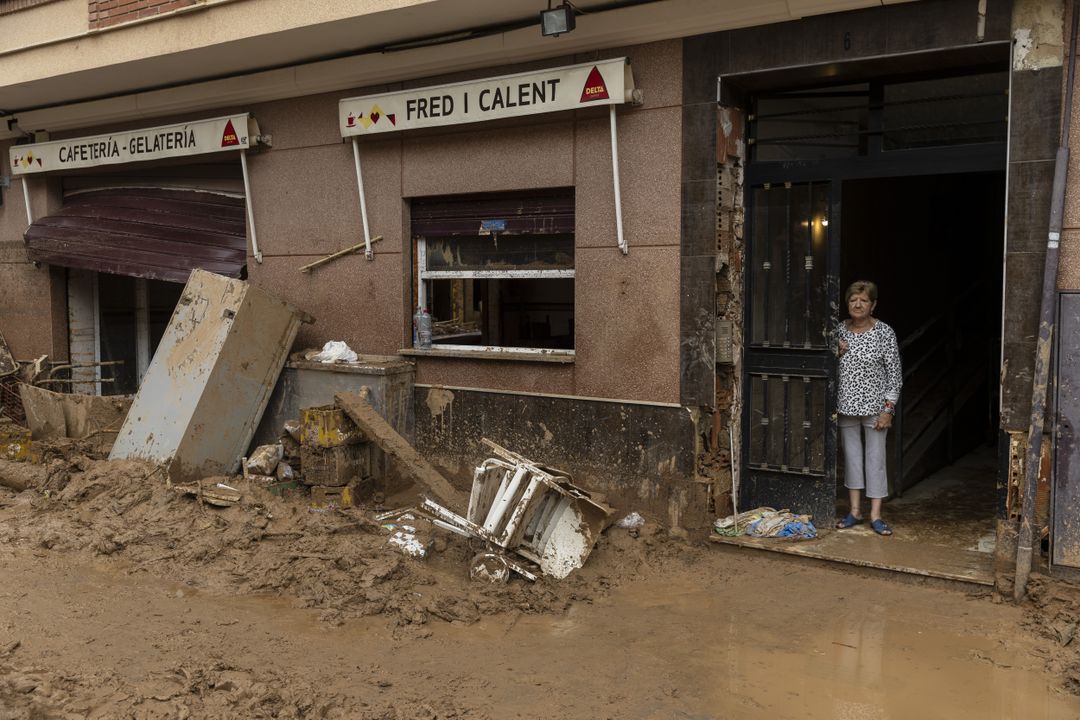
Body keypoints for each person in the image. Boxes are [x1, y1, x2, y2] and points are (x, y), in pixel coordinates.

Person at [835, 280, 902, 536]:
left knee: (876, 460)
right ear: (847, 304)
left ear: (873, 305)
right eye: (853, 300)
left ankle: (875, 515)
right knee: (852, 460)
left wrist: (888, 409)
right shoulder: (838, 330)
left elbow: (894, 374)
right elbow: (826, 367)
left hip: (876, 408)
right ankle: (855, 511)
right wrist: (835, 352)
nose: (858, 304)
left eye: (863, 300)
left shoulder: (885, 332)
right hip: (846, 406)